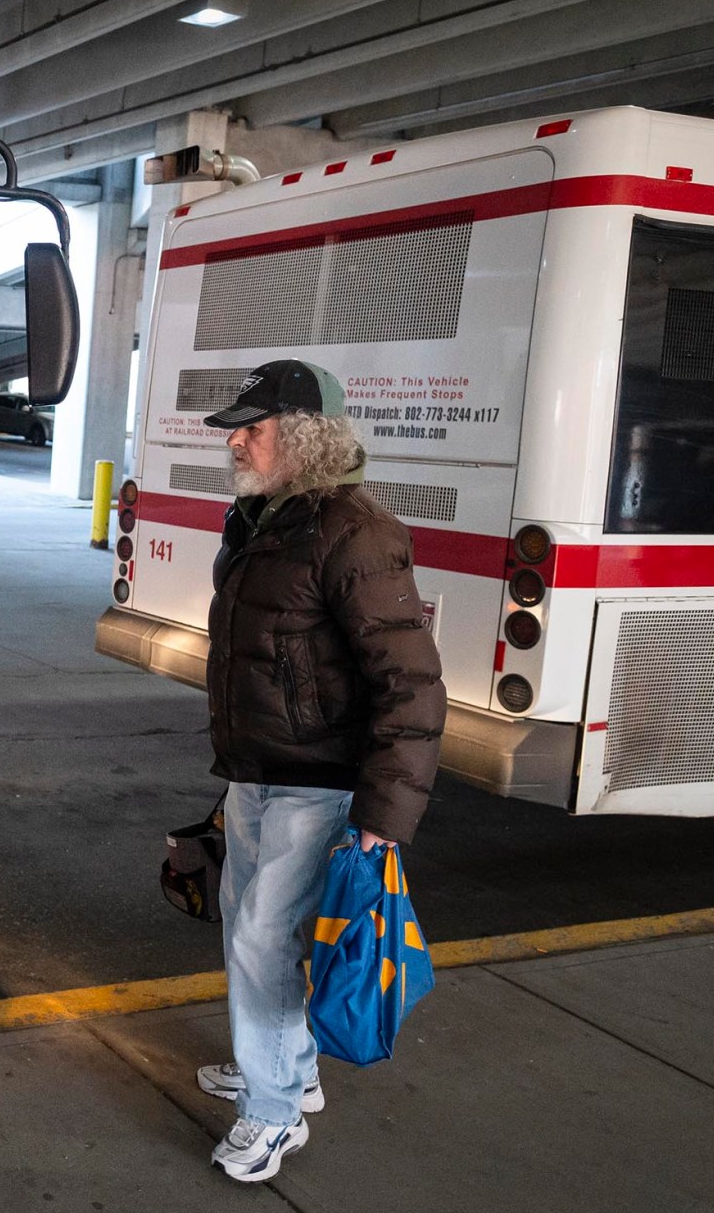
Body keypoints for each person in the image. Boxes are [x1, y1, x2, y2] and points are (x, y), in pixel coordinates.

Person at [194, 358, 445, 1183]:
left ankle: (271, 1115)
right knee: (247, 928)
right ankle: (286, 1067)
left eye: (252, 427)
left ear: (302, 437)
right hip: (257, 771)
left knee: (267, 938)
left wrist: (383, 817)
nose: (236, 440)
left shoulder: (355, 533)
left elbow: (409, 684)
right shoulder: (264, 521)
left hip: (322, 782)